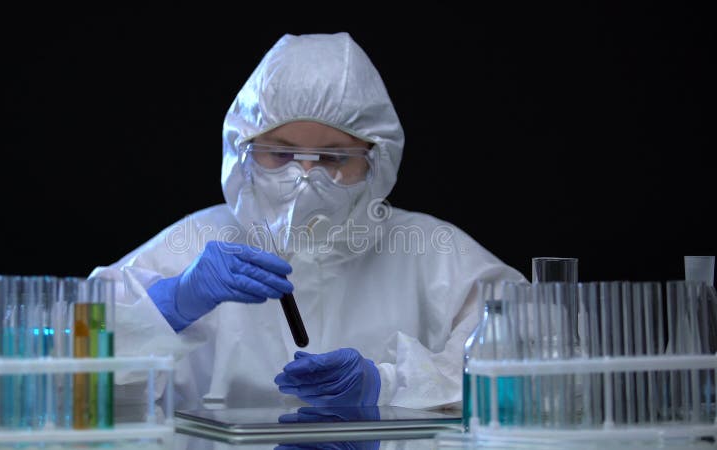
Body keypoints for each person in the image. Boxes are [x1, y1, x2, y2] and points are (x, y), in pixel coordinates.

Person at [90, 32, 525, 412]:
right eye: (279, 154)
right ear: (243, 152)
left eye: (335, 158)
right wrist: (170, 304)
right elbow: (71, 364)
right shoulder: (193, 245)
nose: (305, 180)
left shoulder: (428, 251)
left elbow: (531, 357)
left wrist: (389, 384)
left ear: (377, 160)